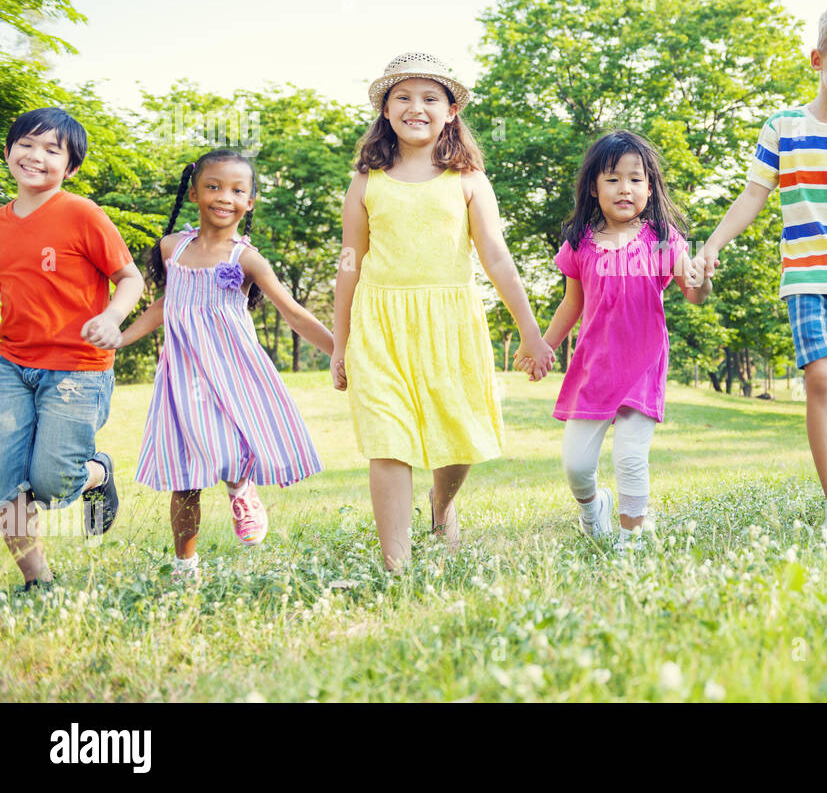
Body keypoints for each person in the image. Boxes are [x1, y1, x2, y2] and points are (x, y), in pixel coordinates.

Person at [693, 2, 827, 536]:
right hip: (809, 278)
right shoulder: (783, 127)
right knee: (823, 382)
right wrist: (711, 245)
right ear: (818, 58)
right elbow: (753, 195)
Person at [332, 52, 554, 570]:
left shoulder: (469, 179)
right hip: (380, 323)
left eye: (430, 98)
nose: (416, 108)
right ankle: (397, 567)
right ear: (385, 111)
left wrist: (531, 333)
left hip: (450, 319)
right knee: (387, 439)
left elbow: (497, 257)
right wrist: (340, 344)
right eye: (402, 98)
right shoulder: (366, 182)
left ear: (451, 110)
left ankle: (442, 504)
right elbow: (348, 264)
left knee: (458, 433)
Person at [120, 149, 334, 581]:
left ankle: (240, 486)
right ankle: (185, 566)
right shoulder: (171, 247)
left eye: (238, 190)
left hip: (234, 370)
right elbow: (167, 303)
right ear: (195, 191)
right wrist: (120, 339)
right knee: (185, 474)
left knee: (231, 446)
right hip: (181, 373)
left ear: (250, 201)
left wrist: (341, 351)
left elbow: (292, 312)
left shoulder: (246, 259)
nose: (224, 197)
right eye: (213, 186)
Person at [520, 131, 710, 551]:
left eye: (635, 179)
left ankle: (632, 536)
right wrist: (543, 346)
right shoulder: (580, 242)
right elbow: (571, 304)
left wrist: (702, 277)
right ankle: (594, 510)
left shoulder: (662, 239)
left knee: (629, 456)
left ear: (649, 186)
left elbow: (693, 293)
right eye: (612, 179)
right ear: (593, 186)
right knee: (577, 464)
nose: (625, 188)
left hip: (643, 365)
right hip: (594, 369)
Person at [0, 108, 145, 591]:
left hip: (75, 369)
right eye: (26, 144)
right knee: (5, 482)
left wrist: (110, 317)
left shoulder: (81, 213)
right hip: (10, 365)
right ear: (8, 151)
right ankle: (38, 581)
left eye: (51, 149)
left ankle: (97, 474)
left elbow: (130, 278)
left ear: (71, 167)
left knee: (50, 483)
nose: (35, 156)